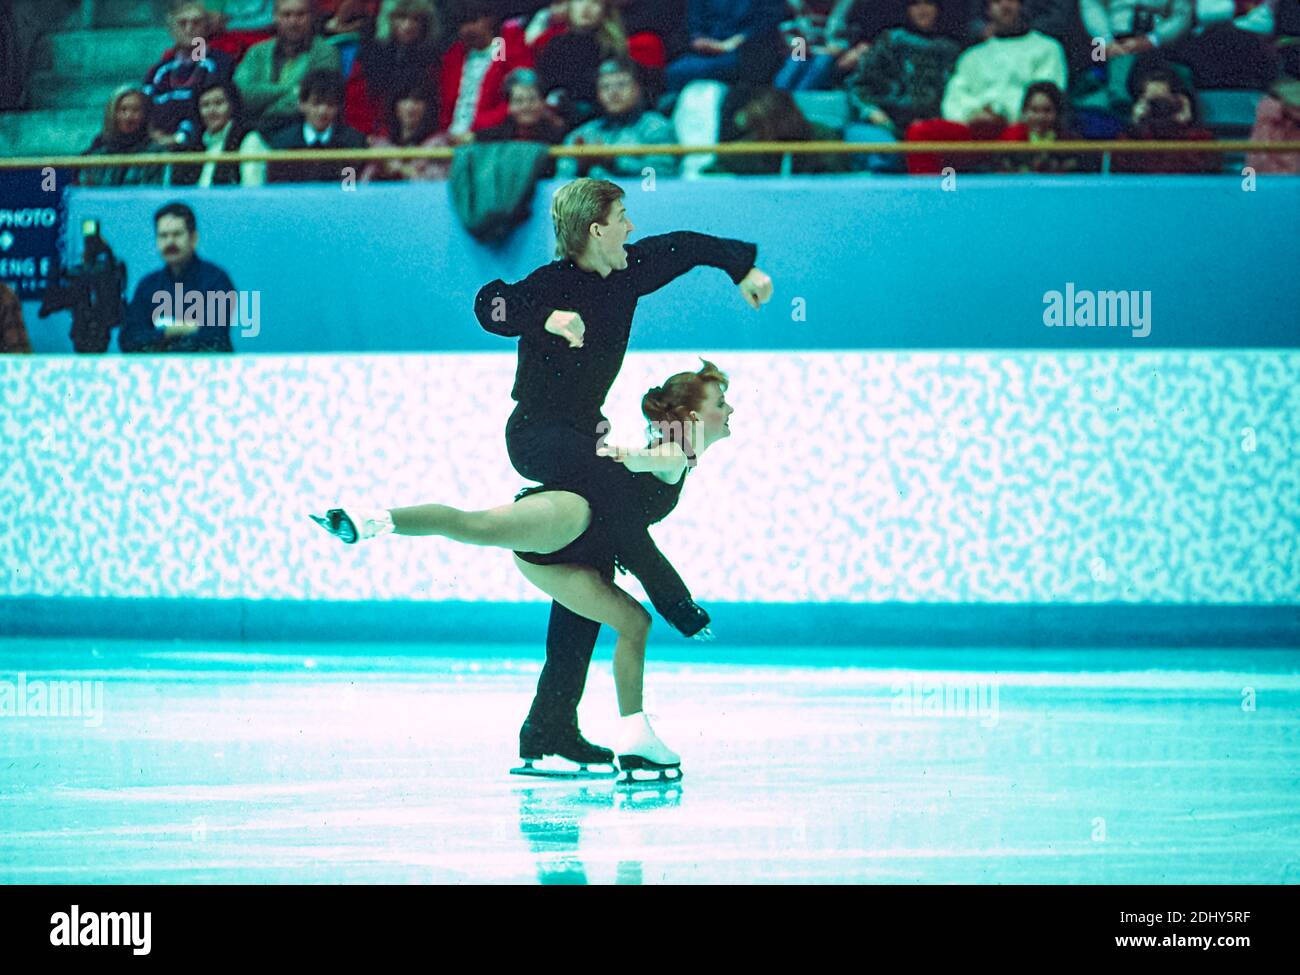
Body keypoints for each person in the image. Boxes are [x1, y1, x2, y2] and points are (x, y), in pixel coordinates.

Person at [312, 360, 737, 776]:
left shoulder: (673, 453)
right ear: (695, 415)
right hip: (570, 518)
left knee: (631, 624)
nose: (730, 409)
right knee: (473, 524)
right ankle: (368, 520)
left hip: (569, 558)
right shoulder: (672, 454)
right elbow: (643, 462)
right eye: (722, 401)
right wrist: (618, 454)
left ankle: (591, 737)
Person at [473, 177, 771, 647]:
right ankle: (673, 600)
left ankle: (550, 719)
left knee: (592, 555)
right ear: (595, 230)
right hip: (536, 435)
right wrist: (545, 317)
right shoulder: (550, 284)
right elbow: (489, 304)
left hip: (584, 432)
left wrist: (742, 269)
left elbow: (684, 246)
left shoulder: (629, 272)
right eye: (621, 219)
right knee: (612, 485)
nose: (631, 227)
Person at [119, 202, 237, 353]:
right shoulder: (148, 285)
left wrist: (157, 338)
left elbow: (214, 338)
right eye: (163, 236)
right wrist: (173, 330)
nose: (170, 242)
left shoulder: (216, 280)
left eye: (177, 234)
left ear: (193, 238)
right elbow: (129, 339)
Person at [555, 58, 678, 179]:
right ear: (598, 94)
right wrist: (581, 168)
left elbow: (659, 176)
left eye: (622, 85)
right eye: (605, 87)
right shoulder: (583, 134)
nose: (613, 92)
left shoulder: (655, 126)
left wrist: (613, 162)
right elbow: (561, 182)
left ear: (638, 89)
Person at [234, 0, 342, 136]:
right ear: (275, 17)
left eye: (300, 14)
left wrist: (266, 108)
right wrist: (291, 90)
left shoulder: (325, 52)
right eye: (286, 15)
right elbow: (241, 93)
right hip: (252, 131)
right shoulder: (256, 52)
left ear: (311, 17)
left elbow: (319, 97)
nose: (293, 22)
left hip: (302, 131)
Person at [144, 0, 237, 149]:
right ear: (172, 29)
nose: (189, 28)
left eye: (196, 23)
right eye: (182, 23)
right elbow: (145, 107)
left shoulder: (220, 63)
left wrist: (180, 137)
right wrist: (153, 134)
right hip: (157, 143)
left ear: (206, 28)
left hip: (202, 144)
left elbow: (213, 111)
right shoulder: (159, 71)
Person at [342, 0, 442, 137]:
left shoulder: (433, 60)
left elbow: (435, 107)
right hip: (372, 135)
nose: (408, 25)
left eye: (415, 19)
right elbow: (355, 103)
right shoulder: (370, 55)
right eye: (401, 18)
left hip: (422, 138)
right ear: (389, 19)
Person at [266, 69, 367, 182]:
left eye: (330, 104)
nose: (322, 111)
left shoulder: (352, 143)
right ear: (301, 104)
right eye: (316, 103)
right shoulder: (282, 144)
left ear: (339, 107)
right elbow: (279, 191)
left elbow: (349, 188)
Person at [166, 79, 271, 185]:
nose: (212, 110)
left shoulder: (249, 139)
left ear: (232, 106)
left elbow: (252, 190)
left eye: (219, 103)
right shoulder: (193, 143)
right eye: (205, 105)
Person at [360, 79, 450, 180]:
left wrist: (401, 170)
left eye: (417, 100)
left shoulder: (439, 145)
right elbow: (364, 185)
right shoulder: (381, 146)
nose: (410, 107)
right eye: (404, 100)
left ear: (428, 107)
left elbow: (436, 185)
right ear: (394, 106)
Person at [78, 87, 167, 187]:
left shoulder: (155, 153)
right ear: (112, 113)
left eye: (135, 110)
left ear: (145, 115)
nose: (128, 116)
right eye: (123, 110)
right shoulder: (98, 151)